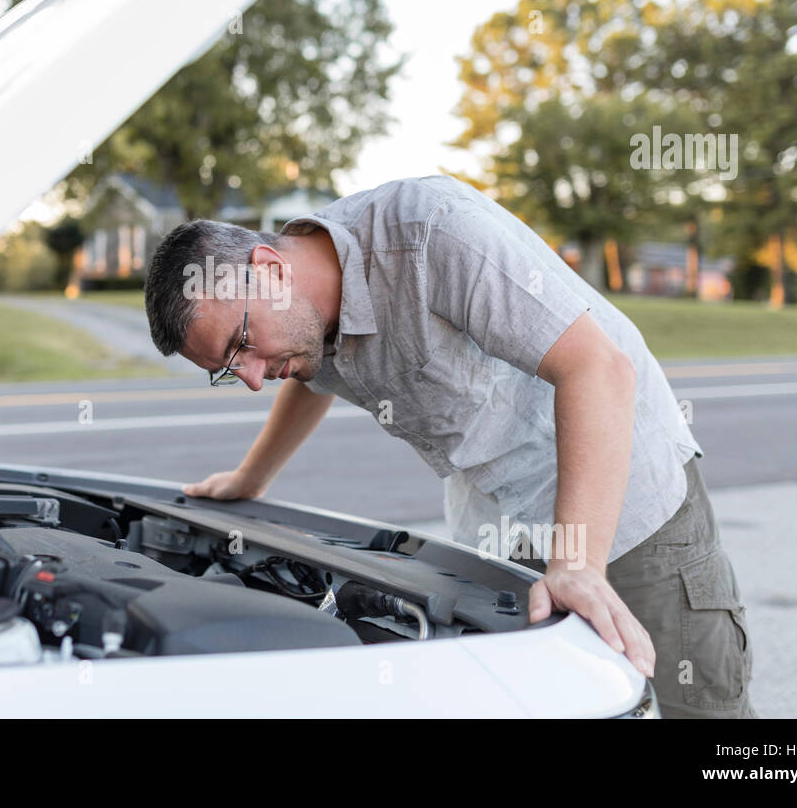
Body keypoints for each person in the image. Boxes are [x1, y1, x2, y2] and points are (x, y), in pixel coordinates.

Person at [144, 174, 756, 718]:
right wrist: (253, 477)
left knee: (699, 707)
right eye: (227, 369)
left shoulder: (430, 235)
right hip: (497, 521)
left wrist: (578, 564)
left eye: (241, 344)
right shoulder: (297, 319)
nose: (250, 375)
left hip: (621, 503)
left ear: (270, 269)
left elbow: (599, 370)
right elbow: (309, 374)